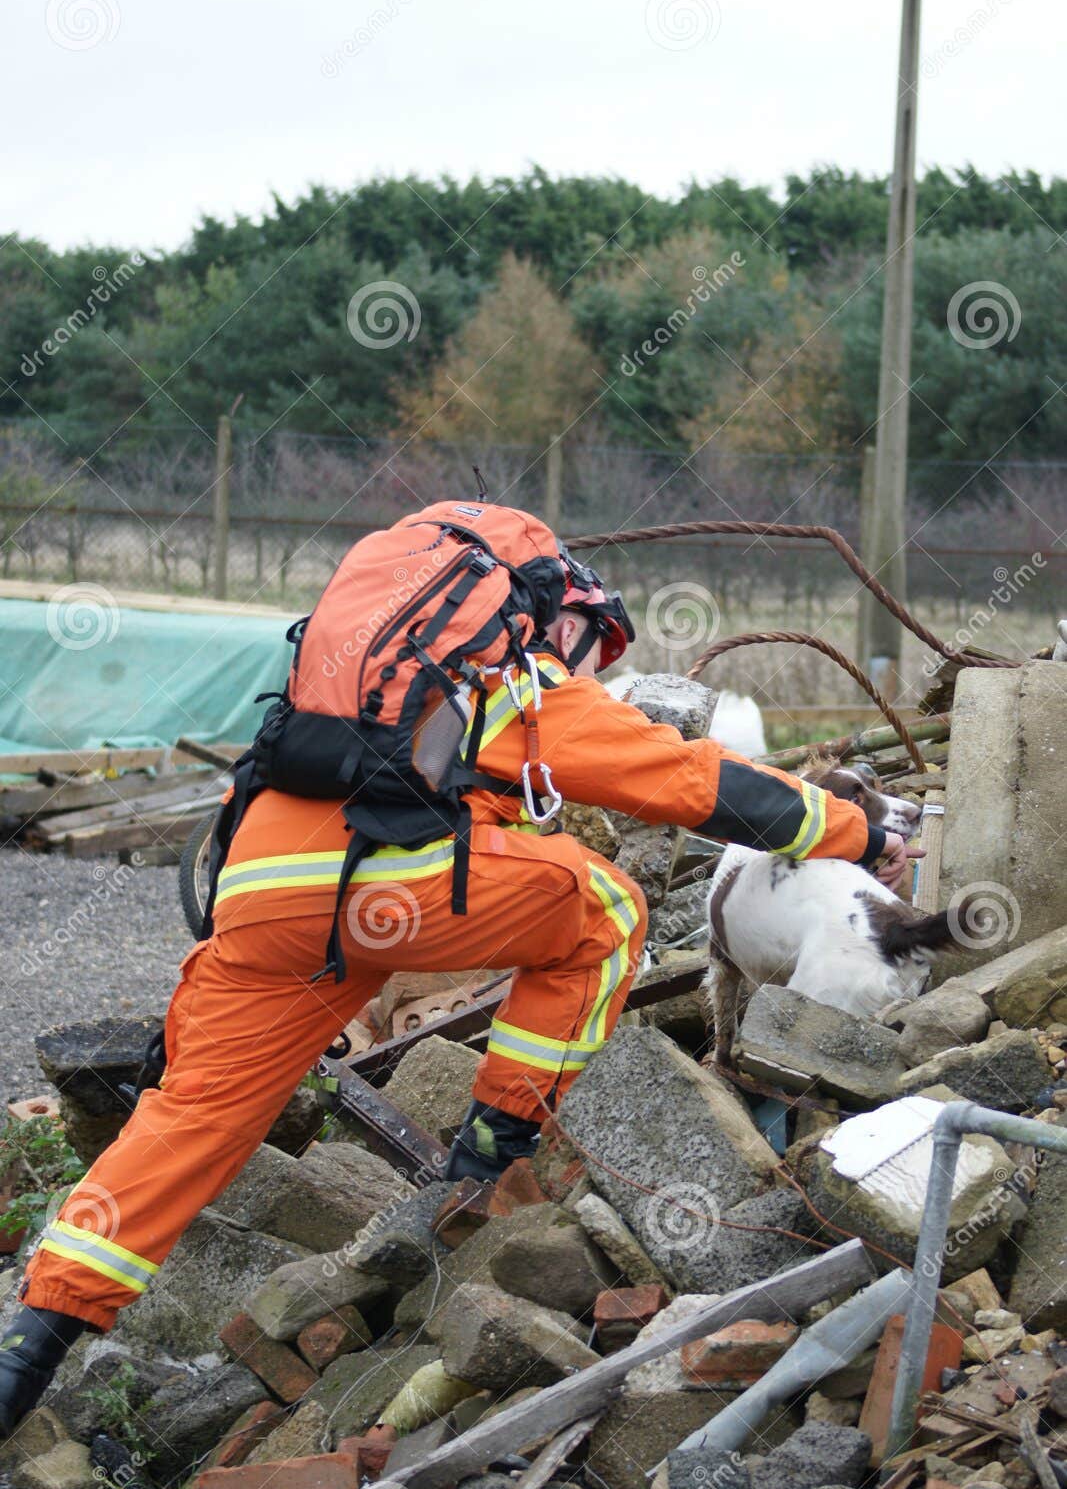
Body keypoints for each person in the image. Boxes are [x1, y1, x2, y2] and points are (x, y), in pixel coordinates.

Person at [0, 514, 913, 1437]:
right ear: (553, 614)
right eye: (588, 643)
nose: (588, 665)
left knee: (185, 1129)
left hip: (265, 900)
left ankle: (27, 1351)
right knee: (604, 910)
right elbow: (692, 783)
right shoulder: (513, 682)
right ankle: (490, 1155)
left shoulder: (355, 692)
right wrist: (864, 832)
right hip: (384, 885)